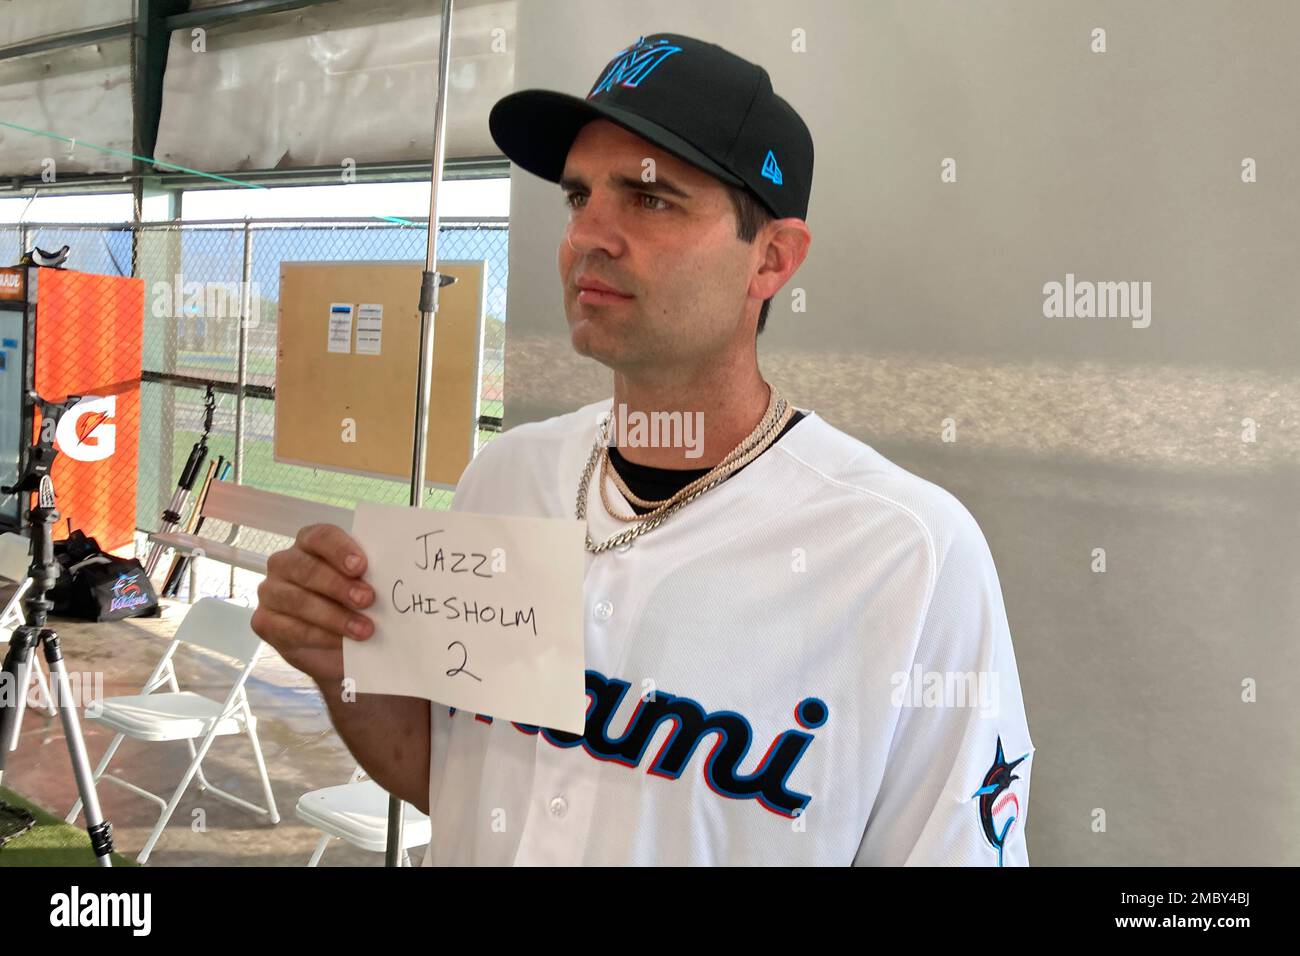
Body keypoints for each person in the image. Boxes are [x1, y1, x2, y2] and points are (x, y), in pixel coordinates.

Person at [251, 32, 1034, 865]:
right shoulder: (507, 476)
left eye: (650, 199)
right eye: (578, 196)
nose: (590, 234)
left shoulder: (905, 552)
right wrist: (339, 664)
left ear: (771, 259)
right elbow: (461, 779)